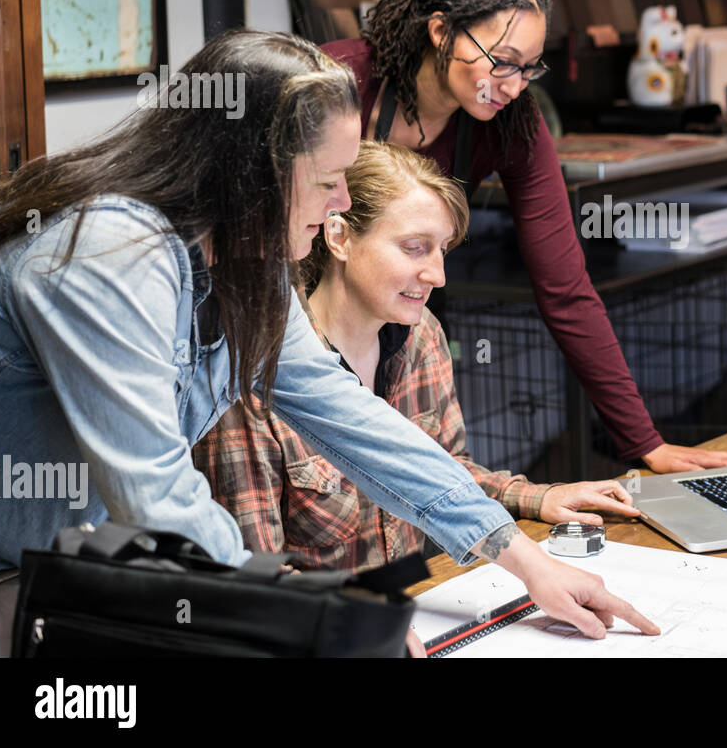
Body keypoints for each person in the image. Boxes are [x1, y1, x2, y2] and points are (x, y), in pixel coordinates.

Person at [0, 29, 655, 654]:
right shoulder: (111, 253)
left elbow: (350, 415)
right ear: (252, 171)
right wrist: (320, 619)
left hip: (54, 566)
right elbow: (155, 492)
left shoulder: (248, 254)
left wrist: (523, 557)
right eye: (328, 178)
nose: (341, 202)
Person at [323, 0, 727, 475]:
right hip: (301, 318)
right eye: (502, 62)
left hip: (402, 324)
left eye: (529, 68)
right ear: (440, 30)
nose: (515, 86)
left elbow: (565, 287)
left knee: (411, 486)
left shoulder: (512, 121)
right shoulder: (340, 82)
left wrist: (645, 443)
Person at [193, 140, 640, 570]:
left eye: (442, 250)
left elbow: (446, 474)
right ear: (339, 237)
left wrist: (537, 497)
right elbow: (253, 572)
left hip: (418, 600)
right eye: (414, 248)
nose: (438, 275)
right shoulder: (252, 375)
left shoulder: (421, 334)